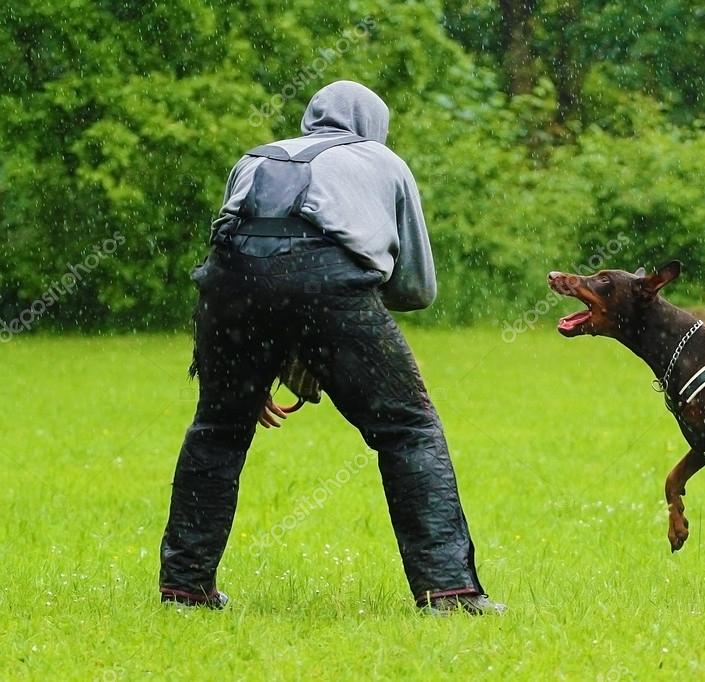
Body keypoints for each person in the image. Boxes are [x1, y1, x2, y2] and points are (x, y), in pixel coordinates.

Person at [159, 80, 503, 615]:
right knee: (408, 428)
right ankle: (448, 592)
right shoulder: (383, 160)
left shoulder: (256, 156)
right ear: (375, 124)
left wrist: (258, 357)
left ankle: (185, 589)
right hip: (328, 286)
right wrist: (329, 329)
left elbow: (239, 254)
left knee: (218, 431)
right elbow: (415, 289)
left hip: (228, 286)